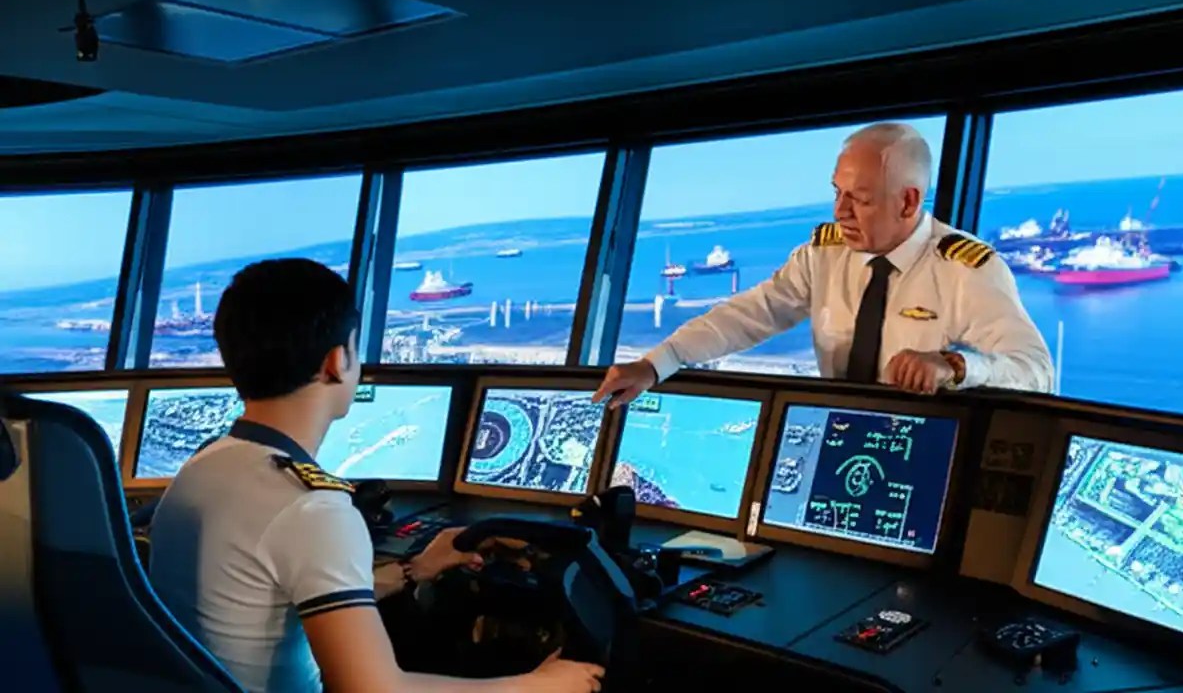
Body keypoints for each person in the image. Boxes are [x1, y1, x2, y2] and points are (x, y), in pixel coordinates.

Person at [147, 259, 604, 693]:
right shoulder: (311, 508)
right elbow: (372, 688)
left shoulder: (203, 467)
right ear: (336, 361)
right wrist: (535, 685)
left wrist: (414, 570)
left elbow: (270, 595)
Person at [594, 122, 1052, 406]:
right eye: (838, 192)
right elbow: (750, 315)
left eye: (861, 199)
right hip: (837, 430)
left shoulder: (964, 270)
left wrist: (955, 366)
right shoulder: (825, 256)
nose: (840, 212)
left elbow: (1036, 372)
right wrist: (659, 362)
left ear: (909, 201)